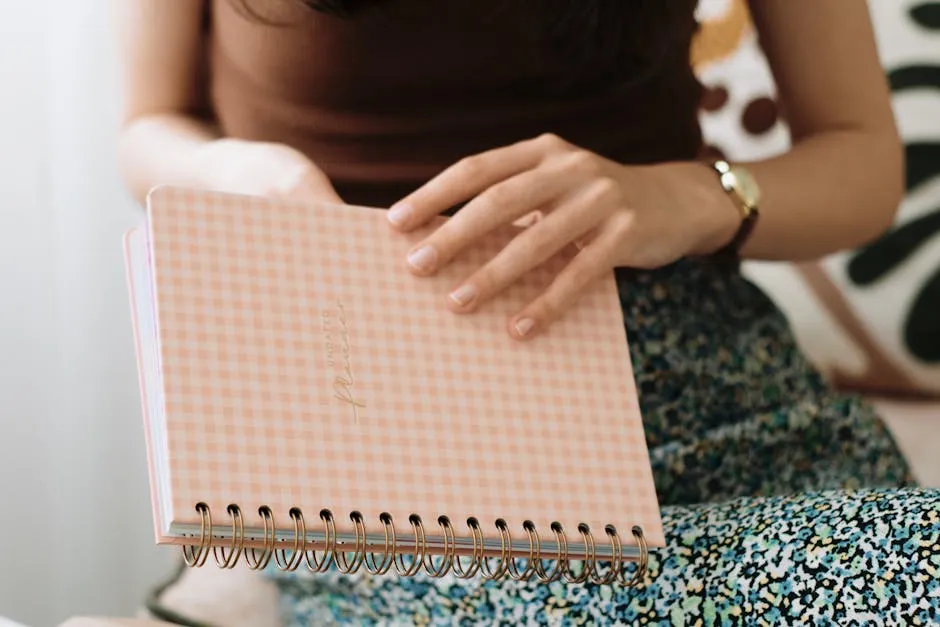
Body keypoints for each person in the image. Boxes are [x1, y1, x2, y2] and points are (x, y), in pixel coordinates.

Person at [114, 1, 940, 624]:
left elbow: (860, 159)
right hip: (379, 403)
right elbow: (148, 124)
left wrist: (689, 193)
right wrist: (232, 171)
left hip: (703, 364)